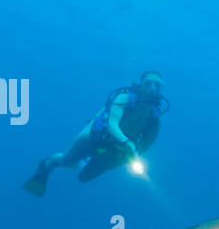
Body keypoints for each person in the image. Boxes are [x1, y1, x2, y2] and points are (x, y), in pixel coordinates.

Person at [23, 71, 169, 196]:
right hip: (92, 140)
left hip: (115, 154)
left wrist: (133, 157)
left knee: (84, 178)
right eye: (148, 83)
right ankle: (46, 166)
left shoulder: (154, 119)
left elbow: (146, 145)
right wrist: (127, 143)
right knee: (65, 161)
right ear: (141, 84)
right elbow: (112, 124)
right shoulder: (123, 98)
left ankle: (83, 161)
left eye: (157, 85)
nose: (152, 88)